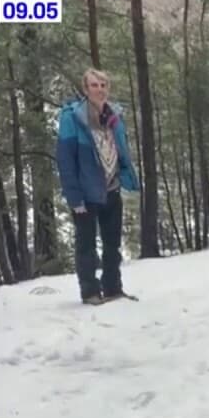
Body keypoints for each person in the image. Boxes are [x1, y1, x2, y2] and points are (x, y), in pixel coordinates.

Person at [56, 67, 140, 304]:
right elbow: (65, 160)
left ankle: (113, 287)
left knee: (112, 244)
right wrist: (74, 198)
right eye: (94, 85)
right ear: (86, 89)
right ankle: (90, 292)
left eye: (103, 85)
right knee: (86, 246)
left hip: (111, 188)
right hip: (85, 193)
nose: (100, 90)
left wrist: (126, 174)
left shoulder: (114, 115)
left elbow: (121, 148)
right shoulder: (72, 118)